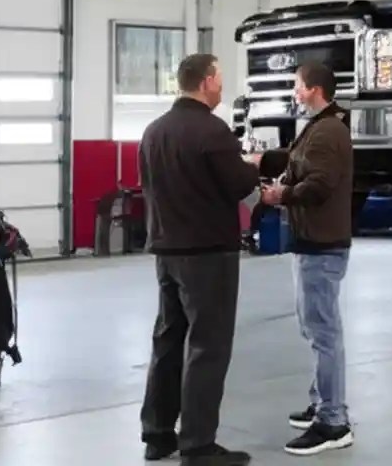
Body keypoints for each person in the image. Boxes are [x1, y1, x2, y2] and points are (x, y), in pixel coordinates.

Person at [138, 53, 259, 466]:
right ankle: (198, 445)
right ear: (207, 81)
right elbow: (240, 185)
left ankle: (157, 435)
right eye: (220, 77)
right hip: (208, 253)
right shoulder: (213, 130)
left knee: (169, 340)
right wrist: (253, 166)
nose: (222, 85)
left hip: (166, 250)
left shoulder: (153, 132)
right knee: (208, 347)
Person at [254, 62, 355, 456]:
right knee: (314, 328)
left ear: (313, 89)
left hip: (322, 244)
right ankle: (322, 403)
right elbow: (299, 163)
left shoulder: (328, 130)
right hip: (313, 242)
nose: (294, 91)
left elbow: (319, 184)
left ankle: (334, 421)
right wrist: (262, 163)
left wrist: (281, 196)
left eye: (297, 85)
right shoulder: (320, 125)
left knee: (324, 333)